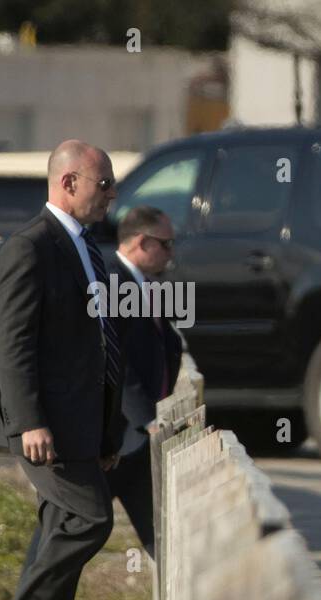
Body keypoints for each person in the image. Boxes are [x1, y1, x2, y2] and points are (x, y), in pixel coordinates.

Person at [0, 139, 125, 600]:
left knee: (59, 529)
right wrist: (29, 422)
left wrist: (108, 433)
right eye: (104, 183)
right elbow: (11, 345)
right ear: (69, 184)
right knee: (91, 520)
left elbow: (99, 348)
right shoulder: (30, 248)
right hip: (44, 427)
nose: (112, 194)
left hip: (83, 426)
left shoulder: (89, 250)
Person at [106, 205, 184, 561]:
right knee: (71, 533)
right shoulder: (112, 281)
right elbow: (114, 361)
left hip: (139, 441)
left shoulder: (150, 285)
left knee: (164, 538)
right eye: (166, 245)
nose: (171, 253)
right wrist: (146, 418)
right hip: (113, 439)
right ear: (141, 242)